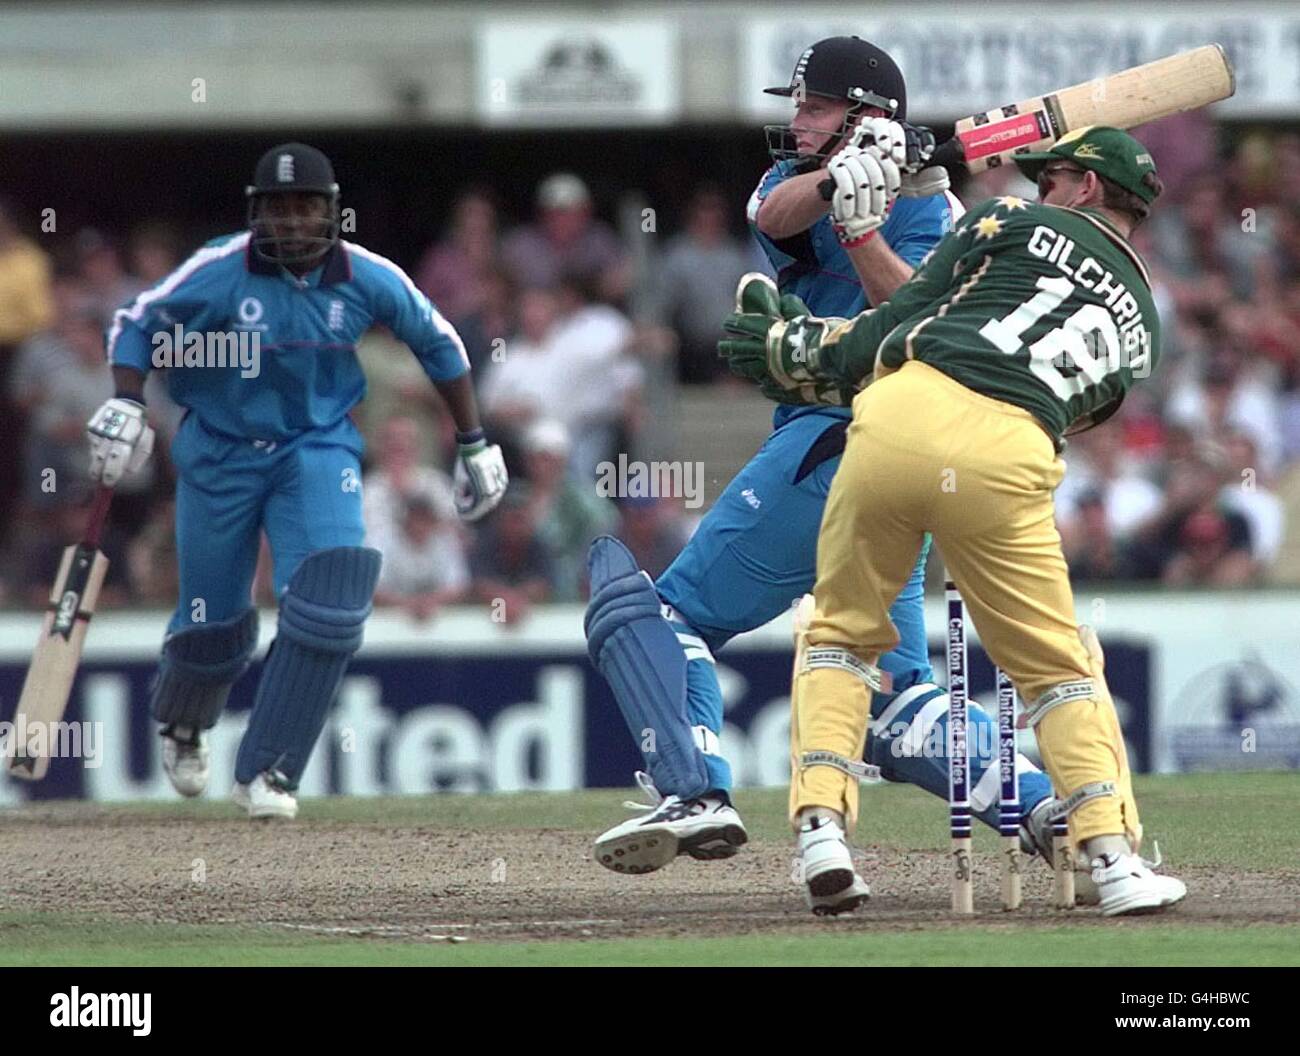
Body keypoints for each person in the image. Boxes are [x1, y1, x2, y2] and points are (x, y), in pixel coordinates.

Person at [585, 37, 1055, 902]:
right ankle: (1047, 812)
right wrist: (845, 182)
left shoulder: (941, 215)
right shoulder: (789, 183)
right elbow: (777, 217)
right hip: (888, 464)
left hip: (840, 442)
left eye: (813, 107)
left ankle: (692, 790)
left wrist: (873, 216)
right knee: (893, 700)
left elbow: (915, 317)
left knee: (661, 614)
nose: (795, 121)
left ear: (866, 115)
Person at [720, 125, 1187, 916]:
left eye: (1053, 179)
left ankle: (822, 837)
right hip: (1011, 449)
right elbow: (1073, 412)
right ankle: (1111, 860)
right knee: (1055, 666)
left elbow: (896, 328)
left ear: (1083, 187)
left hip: (895, 419)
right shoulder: (1145, 325)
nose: (1040, 189)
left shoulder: (1000, 219)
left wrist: (792, 349)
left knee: (840, 636)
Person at [94, 142, 507, 818]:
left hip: (313, 448)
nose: (291, 222)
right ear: (256, 214)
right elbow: (137, 323)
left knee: (333, 599)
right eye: (278, 209)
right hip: (220, 452)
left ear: (331, 213)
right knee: (214, 625)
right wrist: (127, 402)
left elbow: (440, 344)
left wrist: (474, 442)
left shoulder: (365, 275)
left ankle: (270, 772)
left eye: (306, 208)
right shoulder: (220, 269)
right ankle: (185, 721)